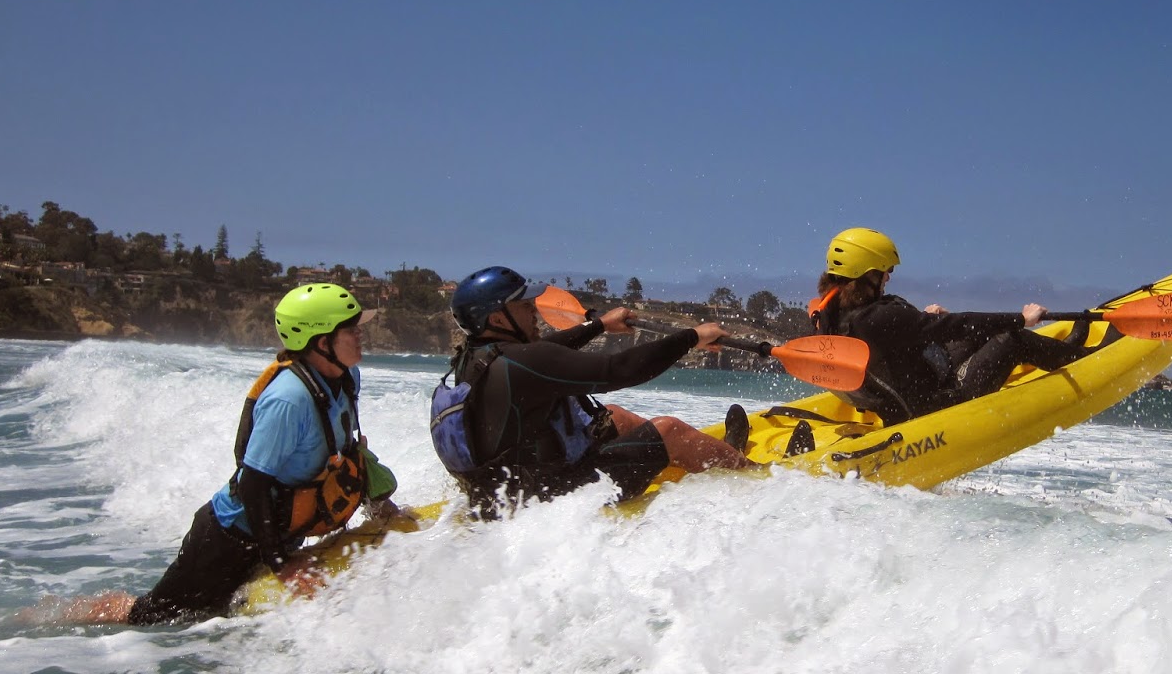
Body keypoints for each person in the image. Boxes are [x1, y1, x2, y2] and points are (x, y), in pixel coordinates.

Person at [46, 283, 400, 625]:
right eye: (351, 329)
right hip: (230, 539)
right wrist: (280, 563)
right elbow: (253, 484)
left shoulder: (347, 377)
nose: (361, 334)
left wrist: (379, 504)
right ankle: (68, 614)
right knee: (151, 618)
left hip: (280, 531)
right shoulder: (289, 401)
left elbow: (347, 451)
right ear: (322, 342)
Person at [431, 266, 752, 516]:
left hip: (503, 497)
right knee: (669, 431)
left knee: (612, 416)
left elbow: (544, 351)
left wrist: (600, 325)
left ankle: (713, 455)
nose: (535, 311)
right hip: (551, 503)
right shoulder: (519, 364)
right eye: (525, 305)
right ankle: (755, 476)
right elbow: (620, 370)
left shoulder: (474, 360)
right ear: (499, 317)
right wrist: (691, 337)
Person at [807, 228, 1090, 425]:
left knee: (973, 337)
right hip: (933, 406)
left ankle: (1065, 348)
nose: (888, 279)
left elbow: (892, 340)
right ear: (866, 275)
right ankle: (1087, 362)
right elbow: (957, 324)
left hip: (910, 391)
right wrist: (1021, 319)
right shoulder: (875, 319)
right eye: (886, 272)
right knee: (1011, 339)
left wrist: (920, 321)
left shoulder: (829, 315)